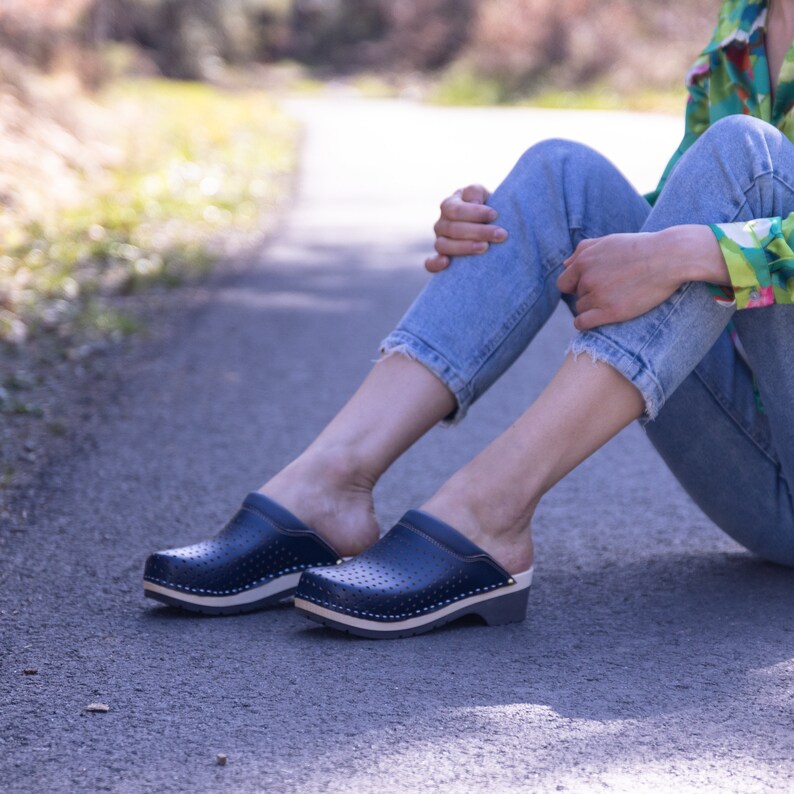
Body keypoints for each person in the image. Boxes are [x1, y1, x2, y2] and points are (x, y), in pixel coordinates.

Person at [143, 0, 794, 638]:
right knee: (557, 175)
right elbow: (686, 205)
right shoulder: (744, 22)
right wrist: (525, 229)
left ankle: (490, 512)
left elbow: (721, 207)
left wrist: (692, 251)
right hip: (761, 470)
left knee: (748, 154)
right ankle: (328, 485)